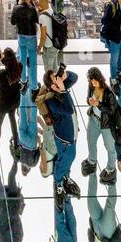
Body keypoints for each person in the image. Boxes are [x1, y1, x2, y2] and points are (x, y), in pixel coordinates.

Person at [41, 66, 80, 202]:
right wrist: (63, 89)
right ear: (52, 85)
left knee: (68, 159)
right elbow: (69, 110)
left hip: (70, 134)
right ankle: (58, 183)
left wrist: (65, 75)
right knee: (64, 161)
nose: (57, 78)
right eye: (54, 78)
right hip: (64, 139)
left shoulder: (60, 88)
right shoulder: (51, 101)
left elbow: (75, 77)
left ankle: (66, 177)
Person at [81, 67, 121, 187]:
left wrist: (99, 104)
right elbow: (88, 98)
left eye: (94, 81)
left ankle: (111, 169)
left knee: (110, 147)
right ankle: (91, 161)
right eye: (91, 81)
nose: (92, 84)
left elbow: (112, 110)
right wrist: (89, 102)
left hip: (106, 124)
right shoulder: (91, 86)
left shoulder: (109, 93)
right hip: (93, 119)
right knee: (91, 141)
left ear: (99, 79)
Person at [11, 0, 39, 89]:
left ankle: (23, 81)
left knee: (22, 60)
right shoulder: (32, 8)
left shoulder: (16, 7)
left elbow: (13, 22)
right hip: (31, 37)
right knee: (33, 62)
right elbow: (37, 20)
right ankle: (33, 86)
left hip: (21, 36)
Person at [37, 0, 63, 78]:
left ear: (41, 3)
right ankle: (57, 83)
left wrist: (39, 48)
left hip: (49, 46)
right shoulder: (52, 11)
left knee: (48, 71)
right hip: (56, 44)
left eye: (39, 2)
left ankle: (50, 84)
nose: (38, 3)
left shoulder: (42, 17)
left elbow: (43, 36)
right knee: (55, 67)